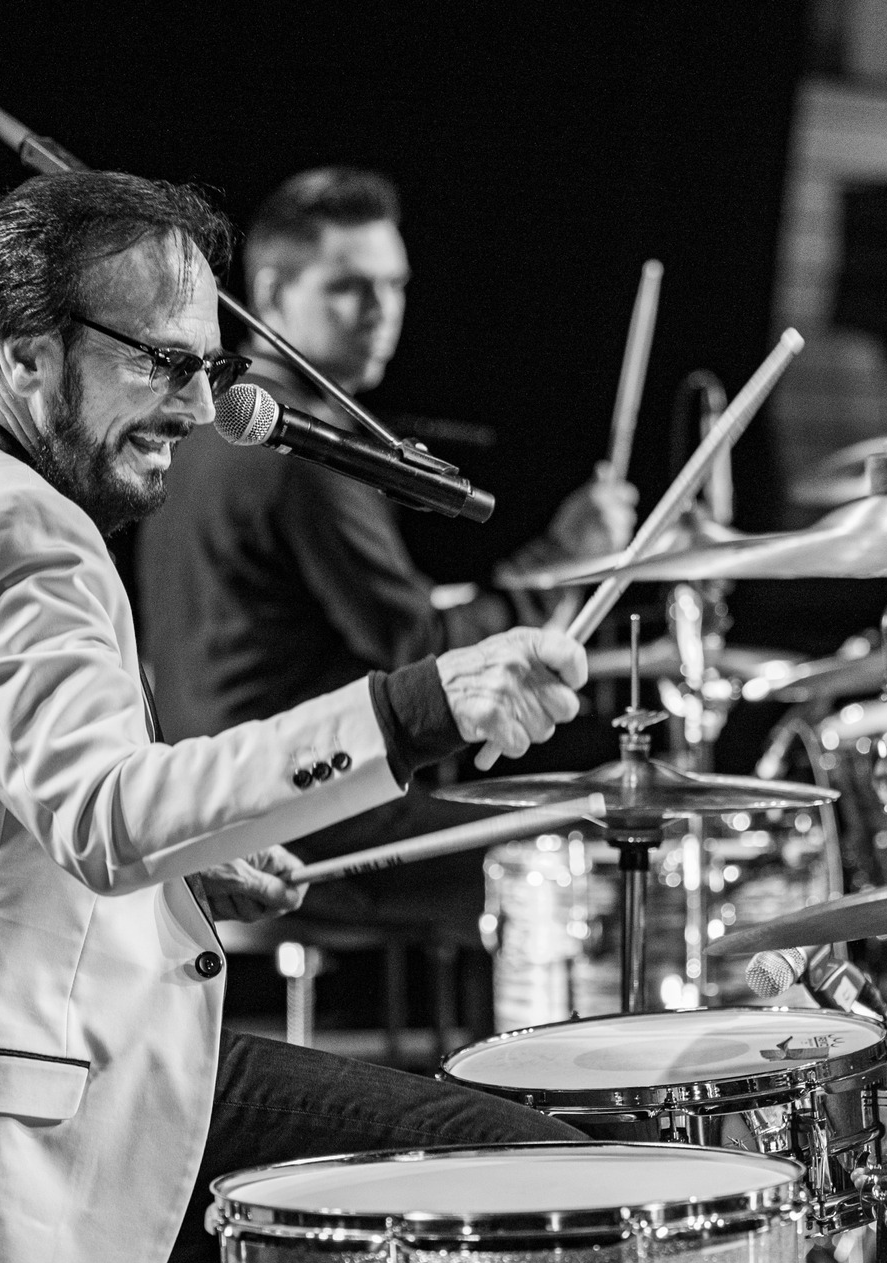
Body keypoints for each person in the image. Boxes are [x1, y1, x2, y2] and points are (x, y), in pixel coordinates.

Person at [0, 171, 587, 1263]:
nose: (200, 407)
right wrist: (417, 705)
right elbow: (107, 815)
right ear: (24, 355)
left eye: (211, 367)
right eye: (162, 364)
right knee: (528, 1179)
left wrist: (198, 867)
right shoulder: (13, 529)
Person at [135, 166, 636, 931]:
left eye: (396, 287)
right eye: (350, 287)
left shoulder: (203, 427)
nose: (383, 313)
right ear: (270, 294)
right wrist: (563, 559)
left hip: (218, 798)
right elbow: (418, 651)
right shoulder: (298, 449)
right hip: (294, 814)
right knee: (601, 831)